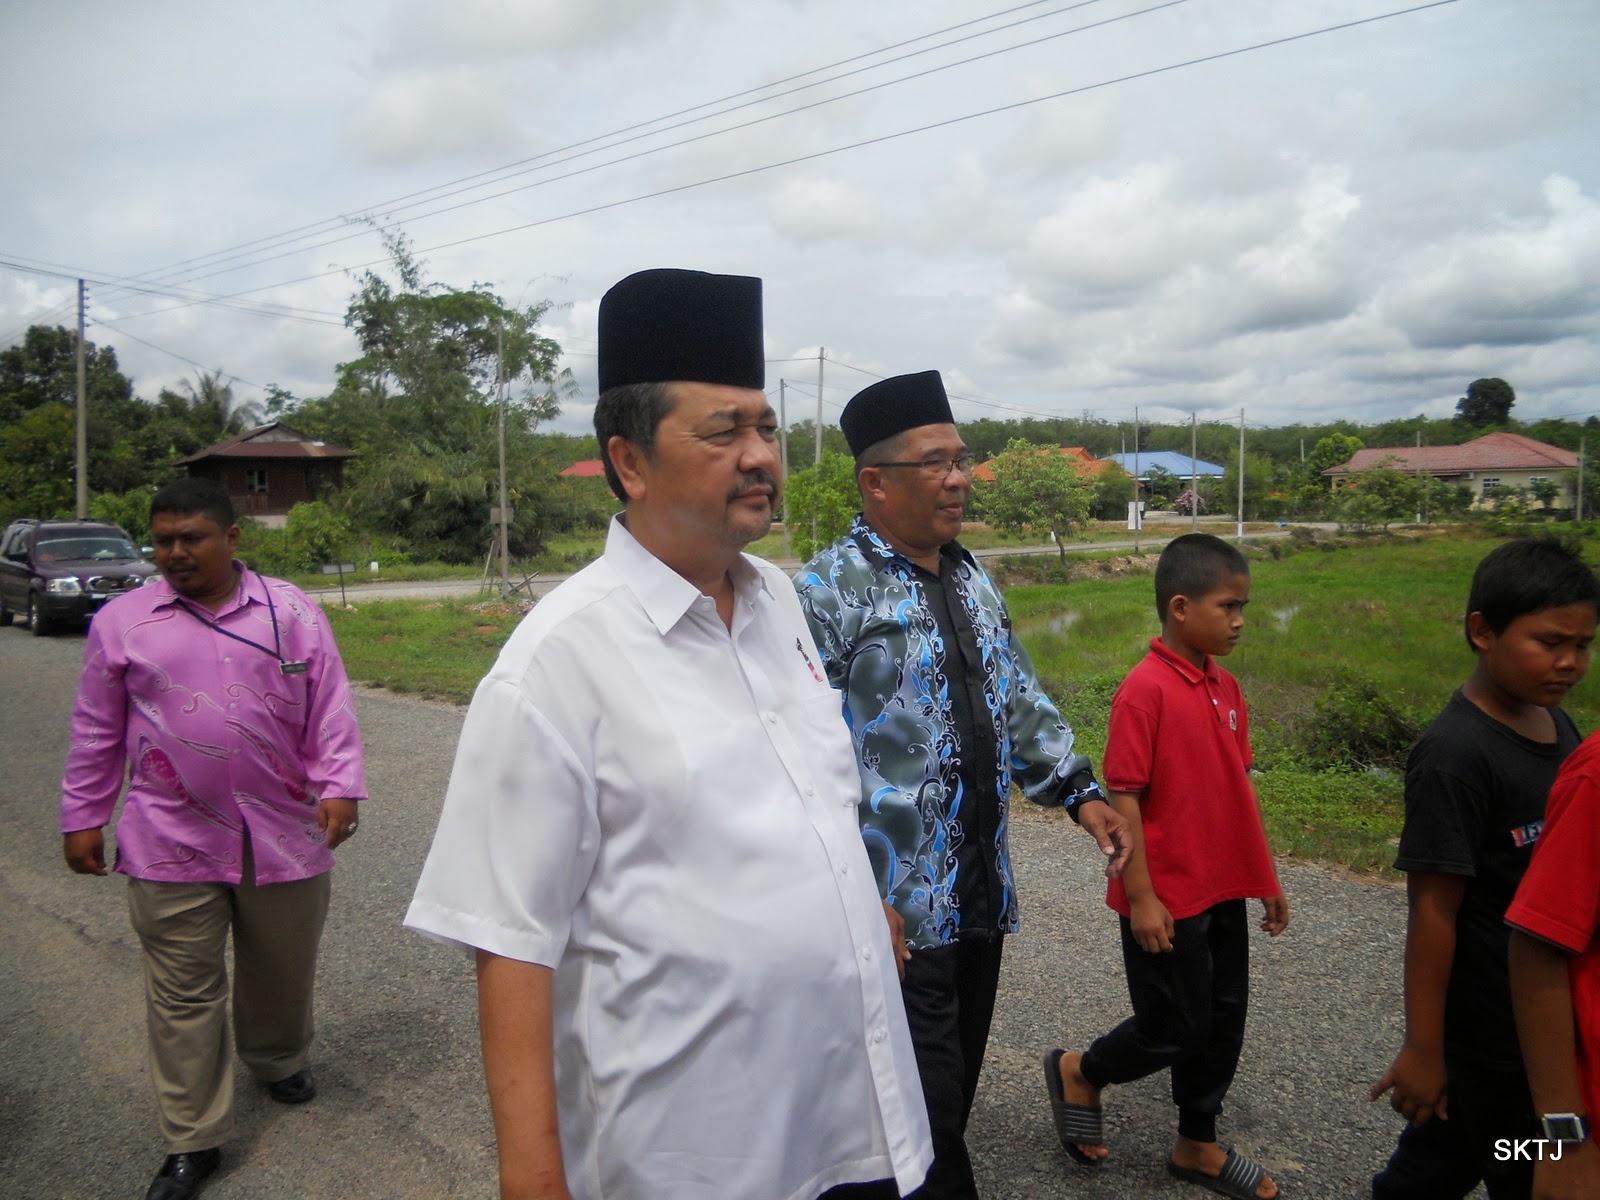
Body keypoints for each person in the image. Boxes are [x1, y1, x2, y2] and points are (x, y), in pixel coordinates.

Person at [404, 269, 932, 1200]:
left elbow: (804, 799)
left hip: (854, 1114)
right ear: (631, 462)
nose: (761, 454)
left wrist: (853, 898)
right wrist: (533, 1182)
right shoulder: (555, 666)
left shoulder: (781, 606)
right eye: (723, 431)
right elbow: (509, 942)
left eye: (765, 427)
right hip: (695, 1153)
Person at [793, 370, 1131, 1200]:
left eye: (962, 459)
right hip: (891, 914)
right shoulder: (824, 593)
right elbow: (795, 760)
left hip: (976, 896)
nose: (959, 479)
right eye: (934, 463)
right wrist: (846, 892)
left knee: (946, 1098)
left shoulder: (970, 578)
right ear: (875, 482)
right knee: (924, 1118)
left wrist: (1079, 790)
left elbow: (1014, 694)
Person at [60, 477, 366, 1200]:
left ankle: (277, 1056)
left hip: (283, 830)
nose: (175, 553)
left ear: (231, 539)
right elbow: (97, 729)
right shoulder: (123, 623)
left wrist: (341, 783)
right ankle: (191, 1140)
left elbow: (329, 703)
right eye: (163, 540)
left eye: (191, 538)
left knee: (279, 969)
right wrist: (83, 813)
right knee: (182, 992)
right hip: (169, 835)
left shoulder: (291, 612)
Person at [1044, 532, 1288, 1200]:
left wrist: (1262, 877)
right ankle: (1081, 1070)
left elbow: (1237, 789)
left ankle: (1197, 1144)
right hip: (1165, 897)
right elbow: (1123, 798)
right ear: (1180, 607)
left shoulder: (1225, 684)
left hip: (1223, 889)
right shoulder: (1143, 691)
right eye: (1228, 606)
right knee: (1173, 1024)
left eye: (1243, 607)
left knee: (1223, 1018)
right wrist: (1143, 896)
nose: (1239, 620)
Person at [1370, 536, 1600, 1200]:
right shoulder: (1455, 755)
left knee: (1448, 1153)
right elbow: (1434, 909)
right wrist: (1424, 1047)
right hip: (1491, 1033)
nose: (1569, 662)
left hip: (1542, 1026)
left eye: (1583, 646)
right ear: (1482, 632)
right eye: (1549, 641)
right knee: (1521, 1158)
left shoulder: (1558, 726)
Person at [1509, 729, 1600, 1200]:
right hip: (1585, 1124)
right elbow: (1538, 943)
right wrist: (1564, 1142)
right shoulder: (1594, 776)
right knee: (1494, 1148)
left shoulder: (1560, 726)